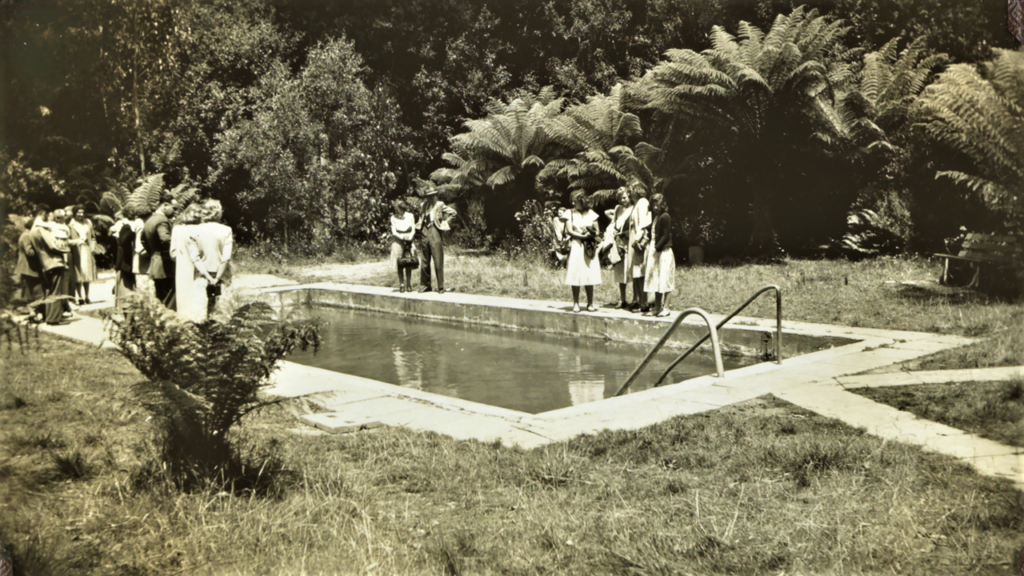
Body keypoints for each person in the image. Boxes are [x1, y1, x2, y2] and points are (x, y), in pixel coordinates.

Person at [188, 199, 233, 318]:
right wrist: (217, 277)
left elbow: (195, 258)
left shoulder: (194, 230)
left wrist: (208, 277)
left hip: (202, 274)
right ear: (218, 212)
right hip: (221, 274)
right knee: (220, 310)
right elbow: (226, 258)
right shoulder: (226, 230)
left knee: (202, 309)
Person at [27, 212, 71, 324]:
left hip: (44, 264)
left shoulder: (32, 230)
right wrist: (65, 249)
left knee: (49, 291)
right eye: (48, 215)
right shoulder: (41, 229)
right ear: (43, 214)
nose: (48, 217)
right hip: (54, 262)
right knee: (57, 291)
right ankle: (54, 319)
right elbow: (52, 245)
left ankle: (49, 316)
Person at [564, 190, 602, 313]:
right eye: (575, 200)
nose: (577, 202)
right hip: (576, 245)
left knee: (588, 273)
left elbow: (597, 230)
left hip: (588, 247)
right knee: (575, 273)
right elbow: (569, 231)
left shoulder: (590, 213)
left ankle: (590, 303)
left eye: (579, 200)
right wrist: (582, 236)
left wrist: (590, 232)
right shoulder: (569, 213)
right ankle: (576, 303)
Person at [415, 187, 456, 293]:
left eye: (431, 196)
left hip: (435, 231)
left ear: (434, 196)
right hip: (425, 232)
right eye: (427, 196)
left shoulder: (439, 205)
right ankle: (425, 285)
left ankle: (440, 286)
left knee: (438, 260)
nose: (429, 198)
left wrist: (444, 224)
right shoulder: (423, 206)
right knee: (424, 260)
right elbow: (421, 217)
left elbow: (453, 213)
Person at [169, 203, 206, 322]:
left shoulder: (177, 229)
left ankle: (184, 321)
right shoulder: (202, 229)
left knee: (183, 294)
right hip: (201, 265)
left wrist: (181, 258)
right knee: (199, 294)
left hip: (182, 266)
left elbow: (173, 252)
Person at [643, 193, 677, 317]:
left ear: (662, 204)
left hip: (664, 252)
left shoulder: (665, 216)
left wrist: (657, 248)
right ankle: (657, 307)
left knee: (665, 279)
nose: (655, 206)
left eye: (657, 204)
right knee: (656, 279)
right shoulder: (656, 217)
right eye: (653, 204)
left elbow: (665, 235)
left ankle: (666, 307)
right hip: (655, 252)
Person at [600, 187, 633, 308]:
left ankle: (635, 299)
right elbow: (611, 218)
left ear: (629, 196)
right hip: (618, 242)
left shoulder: (633, 209)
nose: (622, 200)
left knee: (630, 271)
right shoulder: (618, 209)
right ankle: (622, 299)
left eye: (624, 197)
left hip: (628, 241)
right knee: (619, 272)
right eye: (620, 198)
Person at [15, 208, 47, 322]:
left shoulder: (25, 235)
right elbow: (30, 252)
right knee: (38, 291)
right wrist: (41, 251)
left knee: (30, 292)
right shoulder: (27, 236)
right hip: (30, 269)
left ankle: (33, 312)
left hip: (28, 268)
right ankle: (36, 313)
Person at [142, 203, 176, 307]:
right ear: (165, 205)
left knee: (160, 295)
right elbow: (165, 239)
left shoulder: (150, 220)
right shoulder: (162, 220)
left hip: (155, 261)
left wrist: (152, 253)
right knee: (168, 297)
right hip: (165, 264)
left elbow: (143, 240)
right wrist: (172, 253)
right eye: (173, 207)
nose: (174, 211)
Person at [627, 185, 653, 312]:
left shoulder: (643, 202)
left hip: (639, 240)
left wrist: (638, 240)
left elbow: (643, 224)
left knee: (641, 272)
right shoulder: (637, 204)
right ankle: (638, 300)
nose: (629, 193)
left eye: (630, 191)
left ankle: (644, 302)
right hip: (634, 239)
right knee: (636, 273)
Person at [69, 205, 98, 305]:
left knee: (87, 273)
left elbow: (93, 237)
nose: (81, 215)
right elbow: (67, 239)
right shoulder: (70, 224)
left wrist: (93, 247)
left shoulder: (88, 222)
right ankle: (80, 297)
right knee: (78, 274)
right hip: (76, 250)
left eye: (82, 212)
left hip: (86, 249)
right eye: (78, 212)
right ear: (74, 213)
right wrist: (76, 242)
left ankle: (87, 296)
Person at [113, 209, 139, 311]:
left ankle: (126, 307)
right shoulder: (129, 226)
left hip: (127, 261)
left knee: (126, 286)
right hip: (127, 261)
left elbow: (123, 242)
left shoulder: (128, 227)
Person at [390, 199, 418, 293]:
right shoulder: (393, 218)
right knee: (400, 263)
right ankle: (401, 283)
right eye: (396, 209)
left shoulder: (410, 216)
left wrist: (410, 237)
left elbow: (413, 228)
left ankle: (409, 284)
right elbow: (393, 231)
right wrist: (401, 238)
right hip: (398, 239)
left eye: (399, 209)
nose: (398, 211)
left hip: (409, 239)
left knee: (408, 262)